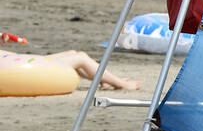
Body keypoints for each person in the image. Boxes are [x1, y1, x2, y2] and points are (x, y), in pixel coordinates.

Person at [4, 49, 141, 92]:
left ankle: (104, 80)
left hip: (12, 61)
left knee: (72, 53)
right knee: (81, 58)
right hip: (13, 68)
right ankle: (121, 84)